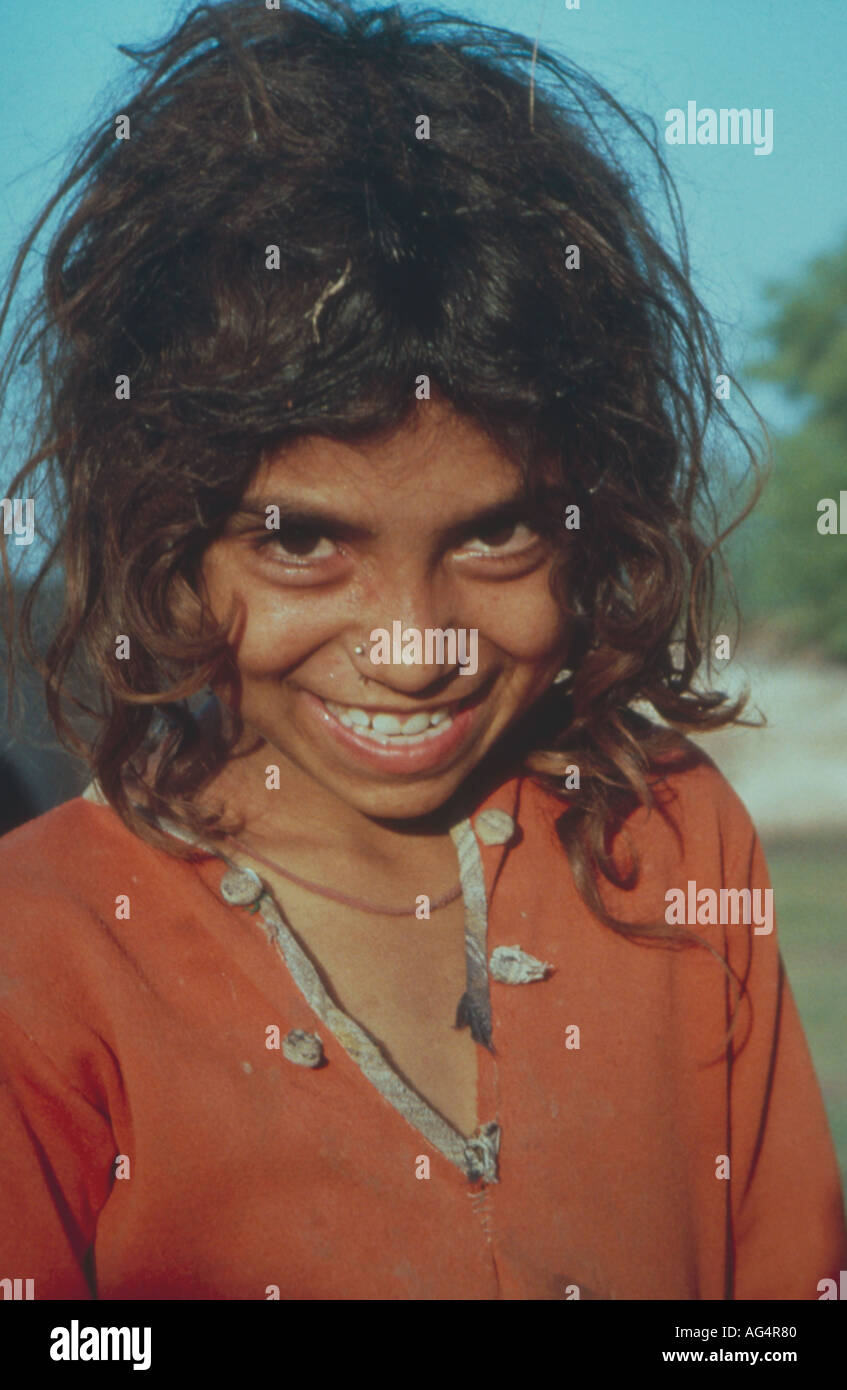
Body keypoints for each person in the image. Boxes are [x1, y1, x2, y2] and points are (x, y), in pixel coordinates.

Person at [0, 0, 844, 1301]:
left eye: (499, 532)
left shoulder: (668, 845)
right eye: (301, 542)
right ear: (165, 536)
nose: (413, 645)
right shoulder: (43, 949)